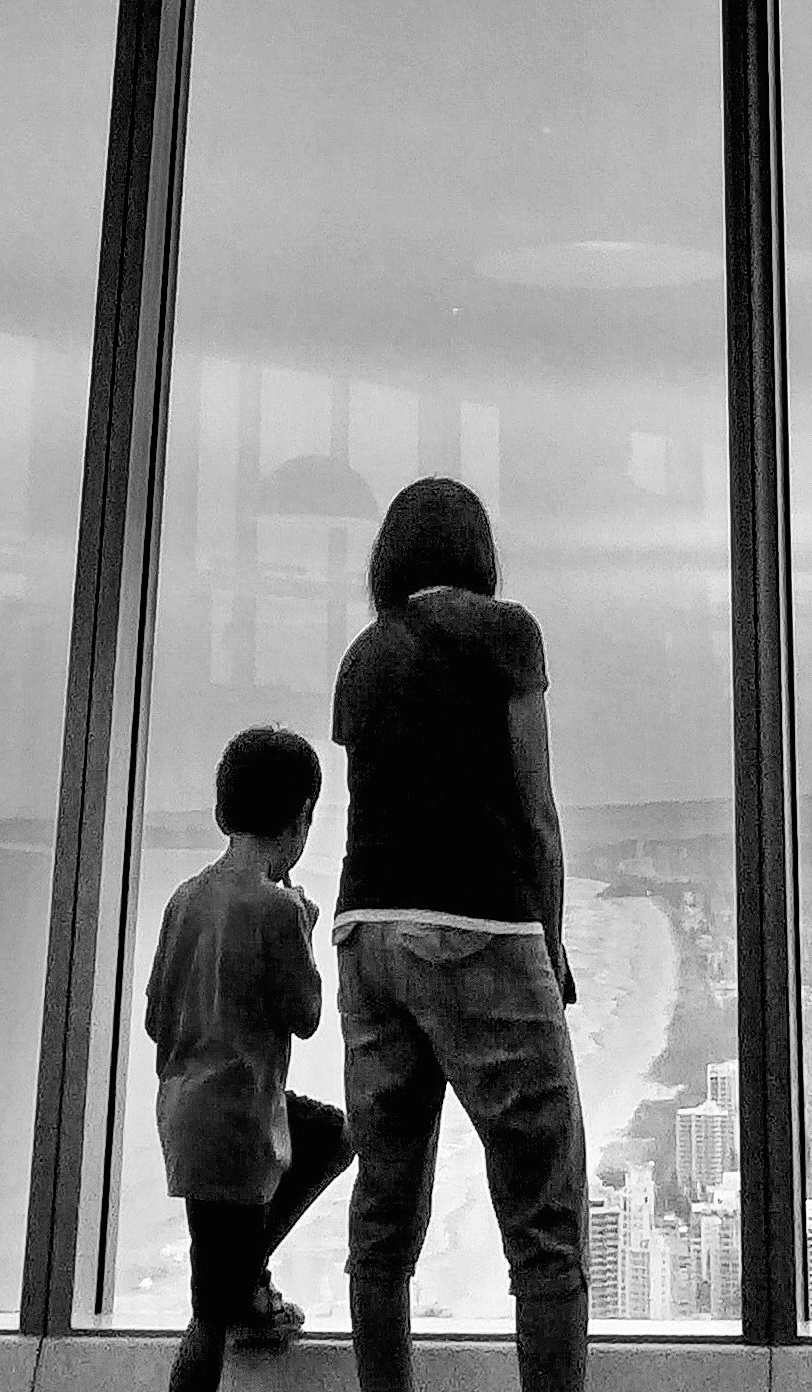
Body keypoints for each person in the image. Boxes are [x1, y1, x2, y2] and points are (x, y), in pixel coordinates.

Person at [333, 479, 585, 1392]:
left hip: (366, 932)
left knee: (383, 1213)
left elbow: (375, 807)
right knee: (543, 1219)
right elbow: (536, 811)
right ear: (476, 552)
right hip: (481, 927)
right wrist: (550, 948)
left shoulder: (362, 657)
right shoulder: (508, 633)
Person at [147, 723, 355, 1392]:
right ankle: (244, 1288)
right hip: (239, 1124)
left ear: (221, 810)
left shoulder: (185, 897)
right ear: (301, 821)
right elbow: (306, 1014)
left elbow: (157, 1017)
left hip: (184, 1112)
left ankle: (246, 1282)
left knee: (326, 1131)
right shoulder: (275, 907)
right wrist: (304, 922)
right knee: (206, 1318)